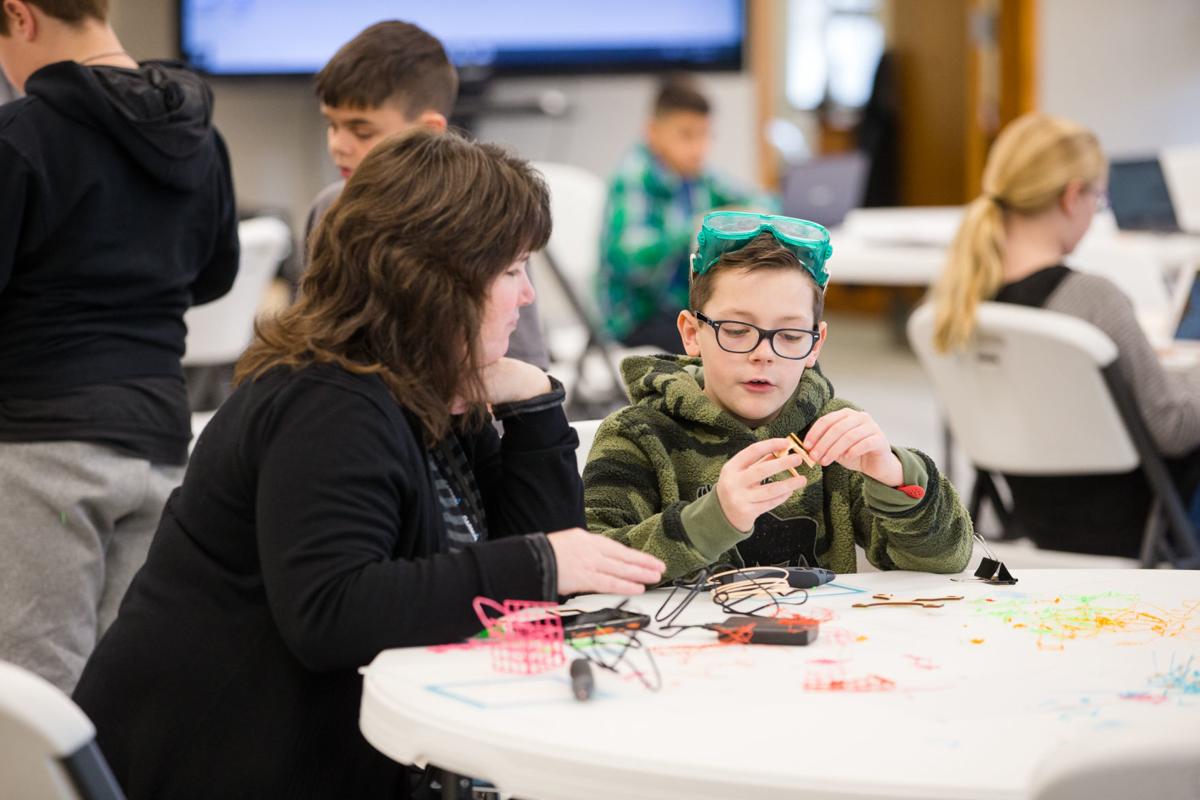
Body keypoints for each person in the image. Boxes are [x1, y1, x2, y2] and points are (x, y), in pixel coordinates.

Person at [73, 129, 665, 799]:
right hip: (206, 769)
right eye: (509, 270)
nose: (527, 295)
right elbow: (333, 612)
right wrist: (542, 564)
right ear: (436, 280)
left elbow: (536, 585)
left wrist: (530, 406)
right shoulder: (327, 400)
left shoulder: (426, 386)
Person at [0, 0, 238, 693]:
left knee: (32, 701)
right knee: (124, 699)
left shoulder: (20, 136)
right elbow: (215, 274)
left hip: (42, 453)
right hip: (161, 446)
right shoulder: (200, 136)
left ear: (20, 16)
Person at [584, 212, 972, 580]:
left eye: (789, 335)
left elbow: (946, 558)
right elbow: (592, 567)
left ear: (815, 345)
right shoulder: (637, 435)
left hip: (822, 644)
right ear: (690, 334)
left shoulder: (833, 434)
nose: (764, 353)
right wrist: (714, 518)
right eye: (736, 330)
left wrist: (896, 475)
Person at [929, 112, 1200, 557]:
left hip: (1040, 522)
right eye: (1099, 197)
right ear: (1073, 196)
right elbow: (1172, 426)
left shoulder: (963, 300)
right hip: (1137, 528)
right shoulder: (1094, 299)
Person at [300, 19, 550, 370]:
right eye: (332, 124)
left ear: (428, 131)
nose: (339, 145)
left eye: (362, 130)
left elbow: (523, 364)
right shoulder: (329, 208)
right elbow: (314, 342)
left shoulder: (486, 217)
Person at [599, 75, 777, 354]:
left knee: (751, 325)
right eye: (686, 134)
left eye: (706, 134)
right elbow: (630, 261)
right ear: (653, 132)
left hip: (681, 306)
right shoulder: (634, 177)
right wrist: (695, 228)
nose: (699, 147)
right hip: (638, 316)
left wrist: (748, 213)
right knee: (727, 343)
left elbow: (759, 201)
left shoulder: (698, 174)